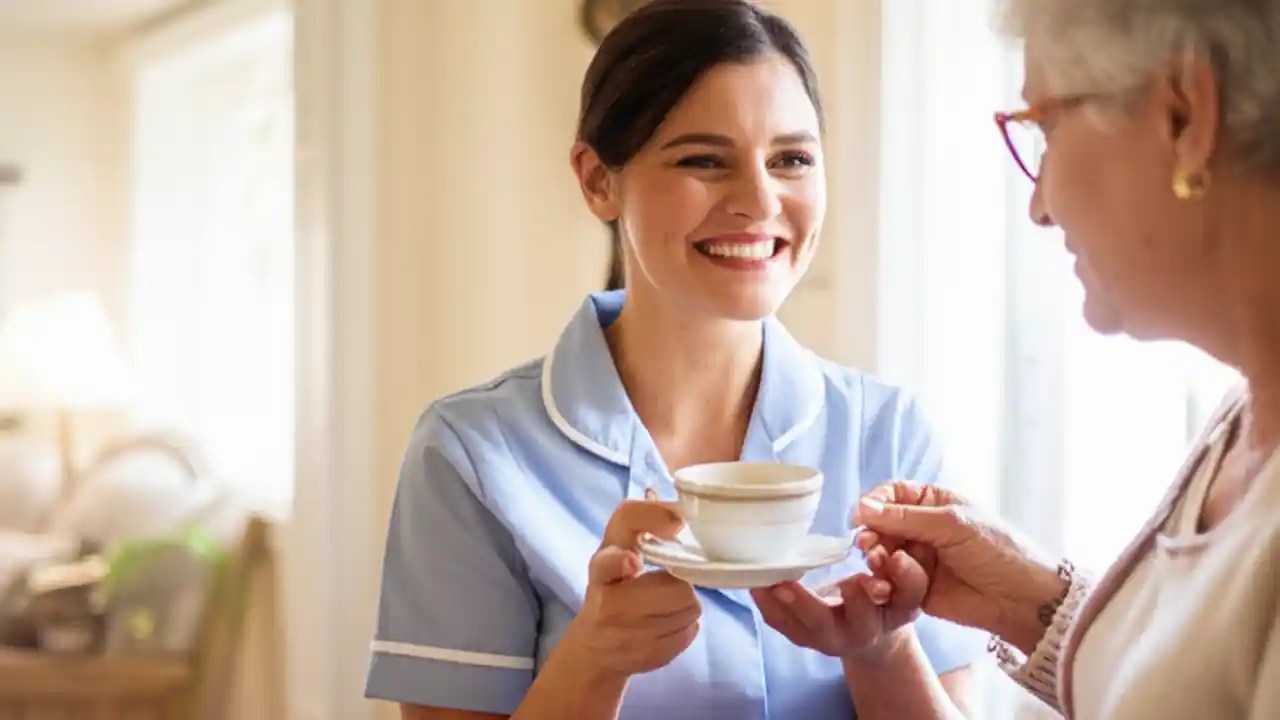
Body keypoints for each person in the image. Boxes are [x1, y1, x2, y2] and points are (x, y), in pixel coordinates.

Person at [363, 1, 987, 718]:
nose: (758, 201)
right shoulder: (472, 453)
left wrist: (879, 649)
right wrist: (595, 656)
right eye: (704, 160)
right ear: (598, 180)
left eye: (791, 159)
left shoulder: (891, 436)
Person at [758, 0, 1280, 717]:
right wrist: (1035, 600)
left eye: (1046, 129)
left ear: (1185, 116)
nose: (1039, 204)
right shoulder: (1243, 420)